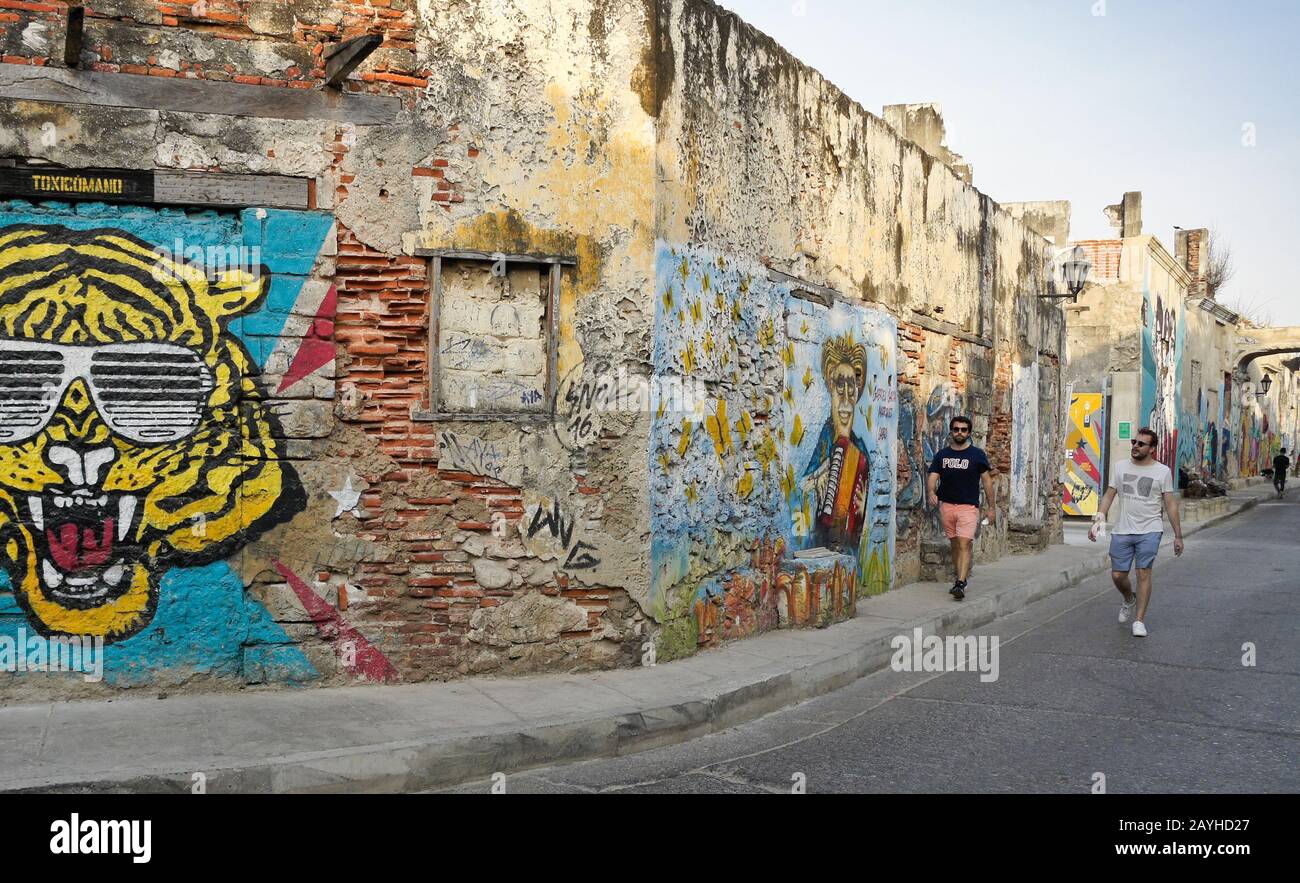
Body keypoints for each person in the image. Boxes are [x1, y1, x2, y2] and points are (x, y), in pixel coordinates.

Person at [1089, 427, 1184, 637]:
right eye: (1134, 442)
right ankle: (1129, 599)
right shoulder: (1120, 467)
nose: (1135, 446)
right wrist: (1099, 518)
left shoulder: (1162, 472)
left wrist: (1178, 535)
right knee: (1117, 575)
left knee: (1143, 572)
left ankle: (1139, 621)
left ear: (1152, 449)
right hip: (1123, 529)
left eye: (1141, 444)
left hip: (1150, 529)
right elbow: (1109, 495)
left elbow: (1170, 504)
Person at [927, 415, 996, 601]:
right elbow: (933, 476)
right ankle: (959, 577)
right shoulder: (942, 455)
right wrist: (931, 492)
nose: (959, 432)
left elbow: (987, 482)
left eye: (963, 430)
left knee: (965, 543)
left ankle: (960, 583)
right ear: (951, 431)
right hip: (947, 506)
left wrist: (991, 508)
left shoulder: (977, 455)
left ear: (969, 432)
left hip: (968, 507)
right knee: (955, 544)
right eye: (956, 429)